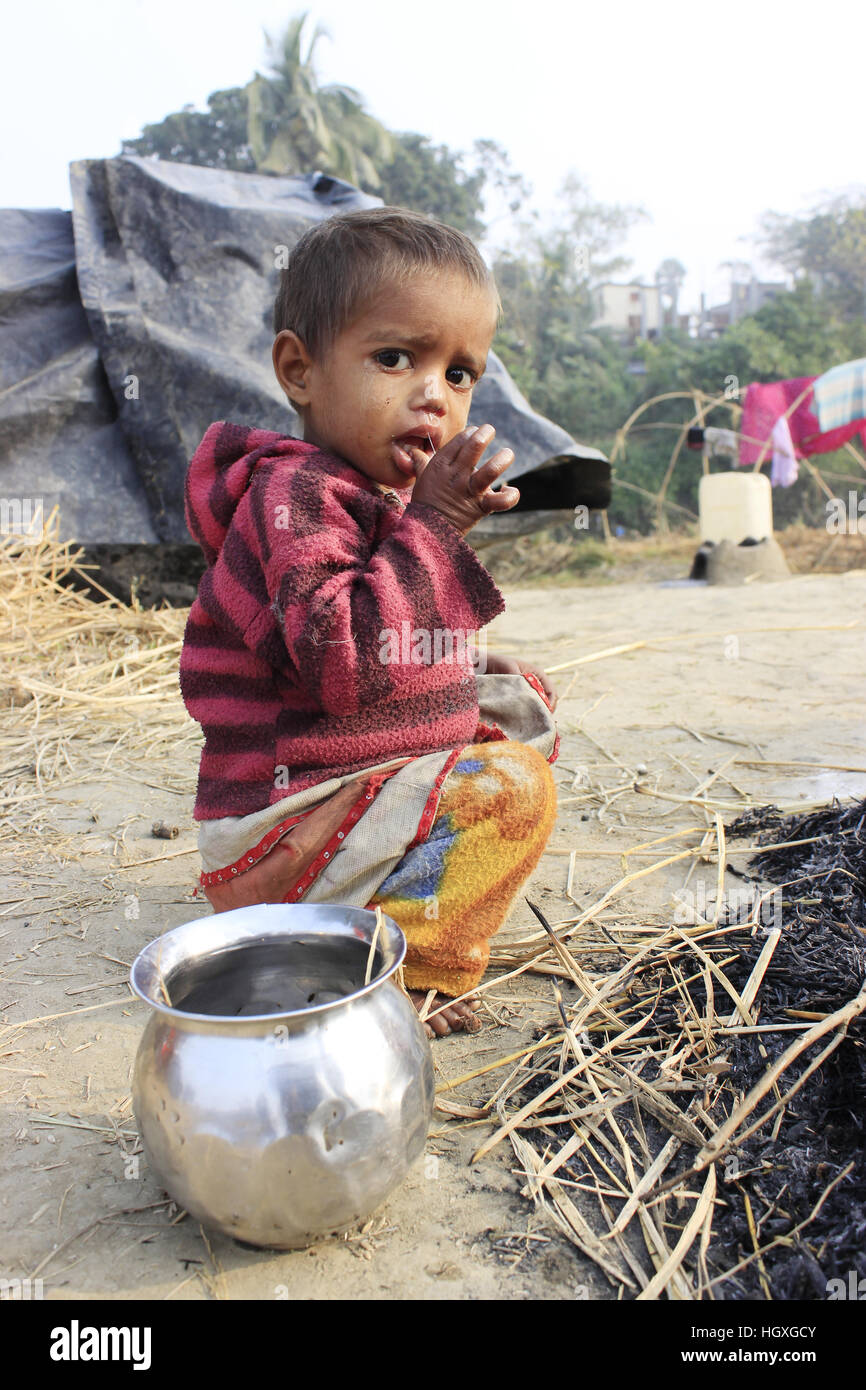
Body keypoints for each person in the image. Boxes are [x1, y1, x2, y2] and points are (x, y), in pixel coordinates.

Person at [179, 207, 559, 1038]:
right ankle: (408, 974)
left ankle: (387, 904)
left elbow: (388, 639)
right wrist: (436, 527)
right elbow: (343, 662)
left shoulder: (364, 499)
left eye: (461, 375)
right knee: (514, 792)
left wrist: (464, 656)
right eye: (395, 357)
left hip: (332, 793)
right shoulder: (297, 498)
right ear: (300, 369)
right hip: (277, 838)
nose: (434, 395)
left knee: (519, 703)